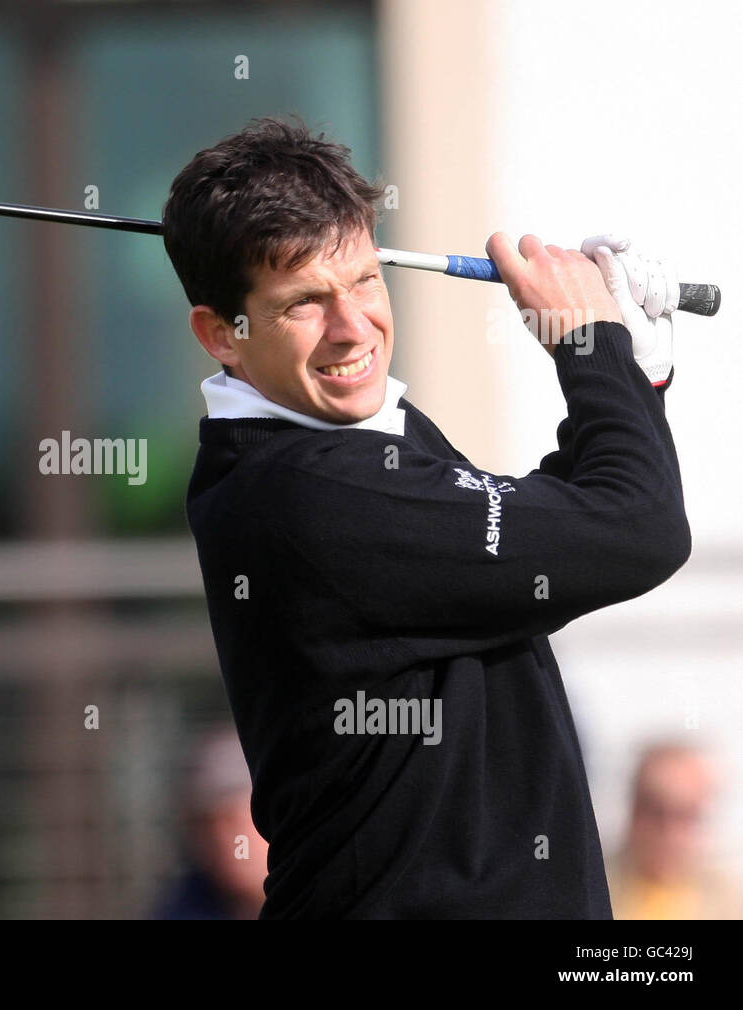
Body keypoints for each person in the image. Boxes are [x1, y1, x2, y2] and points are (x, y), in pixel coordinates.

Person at [164, 116, 690, 918]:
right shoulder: (311, 491)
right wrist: (588, 341)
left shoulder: (349, 440)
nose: (352, 328)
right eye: (303, 302)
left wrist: (634, 373)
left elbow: (567, 527)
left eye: (363, 281)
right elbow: (636, 530)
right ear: (220, 335)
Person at [607, 741, 741, 919]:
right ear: (634, 809)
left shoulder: (731, 903)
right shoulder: (589, 883)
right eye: (656, 812)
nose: (669, 832)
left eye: (685, 815)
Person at [153, 728, 268, 919]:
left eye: (232, 818)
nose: (220, 837)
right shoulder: (182, 908)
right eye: (205, 823)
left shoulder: (316, 892)